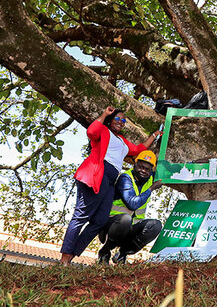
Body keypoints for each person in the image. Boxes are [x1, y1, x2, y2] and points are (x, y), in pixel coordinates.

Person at [60, 106, 161, 264]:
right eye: (117, 118)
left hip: (110, 181)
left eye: (123, 120)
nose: (120, 122)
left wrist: (154, 135)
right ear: (110, 120)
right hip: (97, 174)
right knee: (81, 216)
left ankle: (72, 255)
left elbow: (138, 149)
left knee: (99, 221)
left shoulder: (122, 141)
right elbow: (91, 132)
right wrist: (104, 113)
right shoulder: (104, 131)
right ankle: (65, 257)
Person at [97, 150, 164, 264]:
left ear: (151, 171)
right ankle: (105, 251)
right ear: (135, 164)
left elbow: (170, 171)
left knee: (156, 225)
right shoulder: (125, 178)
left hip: (132, 226)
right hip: (113, 225)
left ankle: (122, 254)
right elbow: (132, 204)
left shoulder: (150, 178)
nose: (143, 171)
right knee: (125, 220)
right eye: (141, 167)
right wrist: (151, 189)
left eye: (147, 169)